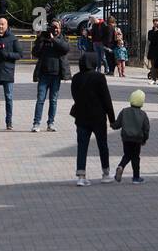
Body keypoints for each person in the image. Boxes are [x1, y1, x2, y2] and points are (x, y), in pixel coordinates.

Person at [70, 52, 116, 185]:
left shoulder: (76, 78)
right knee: (102, 145)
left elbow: (74, 95)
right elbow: (106, 99)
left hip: (81, 116)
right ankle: (106, 173)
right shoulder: (99, 77)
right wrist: (112, 119)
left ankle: (81, 176)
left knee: (82, 146)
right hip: (98, 117)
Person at [31, 20, 69, 132]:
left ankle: (50, 123)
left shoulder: (62, 38)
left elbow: (66, 48)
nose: (55, 29)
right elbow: (35, 52)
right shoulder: (44, 37)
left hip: (56, 75)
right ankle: (36, 123)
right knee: (40, 99)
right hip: (43, 74)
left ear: (60, 29)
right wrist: (41, 38)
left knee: (53, 100)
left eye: (57, 27)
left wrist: (53, 39)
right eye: (53, 27)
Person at [112, 90, 151, 183]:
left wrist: (112, 124)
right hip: (137, 139)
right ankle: (136, 177)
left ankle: (121, 166)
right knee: (135, 157)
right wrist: (145, 139)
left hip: (126, 138)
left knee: (127, 154)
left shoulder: (124, 111)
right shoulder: (143, 114)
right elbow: (146, 128)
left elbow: (117, 124)